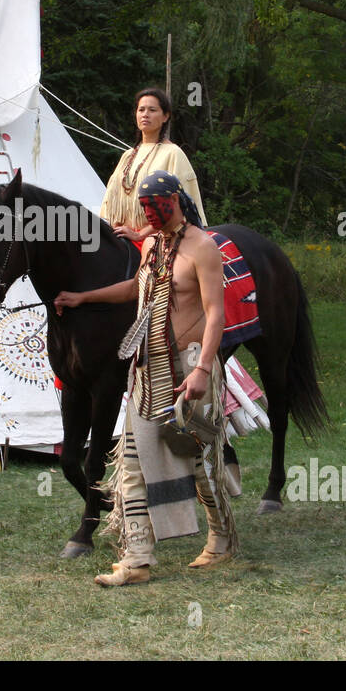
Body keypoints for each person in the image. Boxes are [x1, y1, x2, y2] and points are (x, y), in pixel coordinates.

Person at [55, 171, 239, 587]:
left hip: (189, 367)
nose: (148, 215)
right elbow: (136, 291)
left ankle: (221, 536)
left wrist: (202, 369)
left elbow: (216, 314)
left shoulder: (203, 249)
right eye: (144, 208)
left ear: (174, 200)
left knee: (200, 463)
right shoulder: (152, 243)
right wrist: (84, 298)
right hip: (145, 368)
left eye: (154, 206)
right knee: (133, 465)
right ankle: (136, 559)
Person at [99, 88, 207, 242]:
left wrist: (140, 235)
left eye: (152, 110)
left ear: (165, 116)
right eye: (141, 109)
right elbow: (110, 203)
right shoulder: (127, 156)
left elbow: (182, 208)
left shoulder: (173, 153)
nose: (145, 114)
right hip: (123, 239)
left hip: (159, 240)